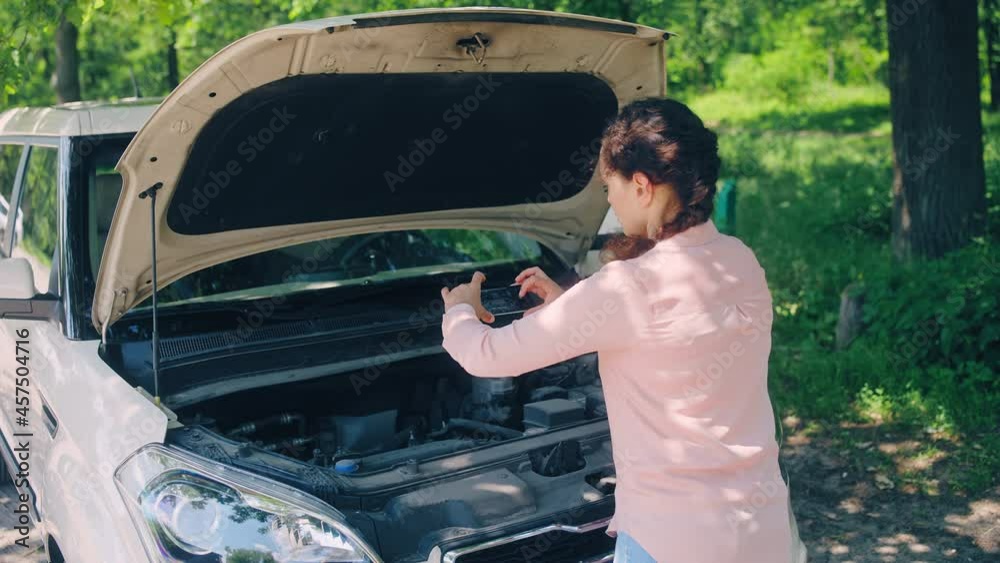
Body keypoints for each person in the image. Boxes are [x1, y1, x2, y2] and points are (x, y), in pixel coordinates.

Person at [439, 98, 792, 563]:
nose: (608, 200)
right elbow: (673, 337)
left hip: (673, 541)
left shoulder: (626, 288)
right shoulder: (739, 261)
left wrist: (460, 312)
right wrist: (572, 306)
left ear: (642, 185)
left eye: (609, 185)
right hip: (762, 526)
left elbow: (487, 355)